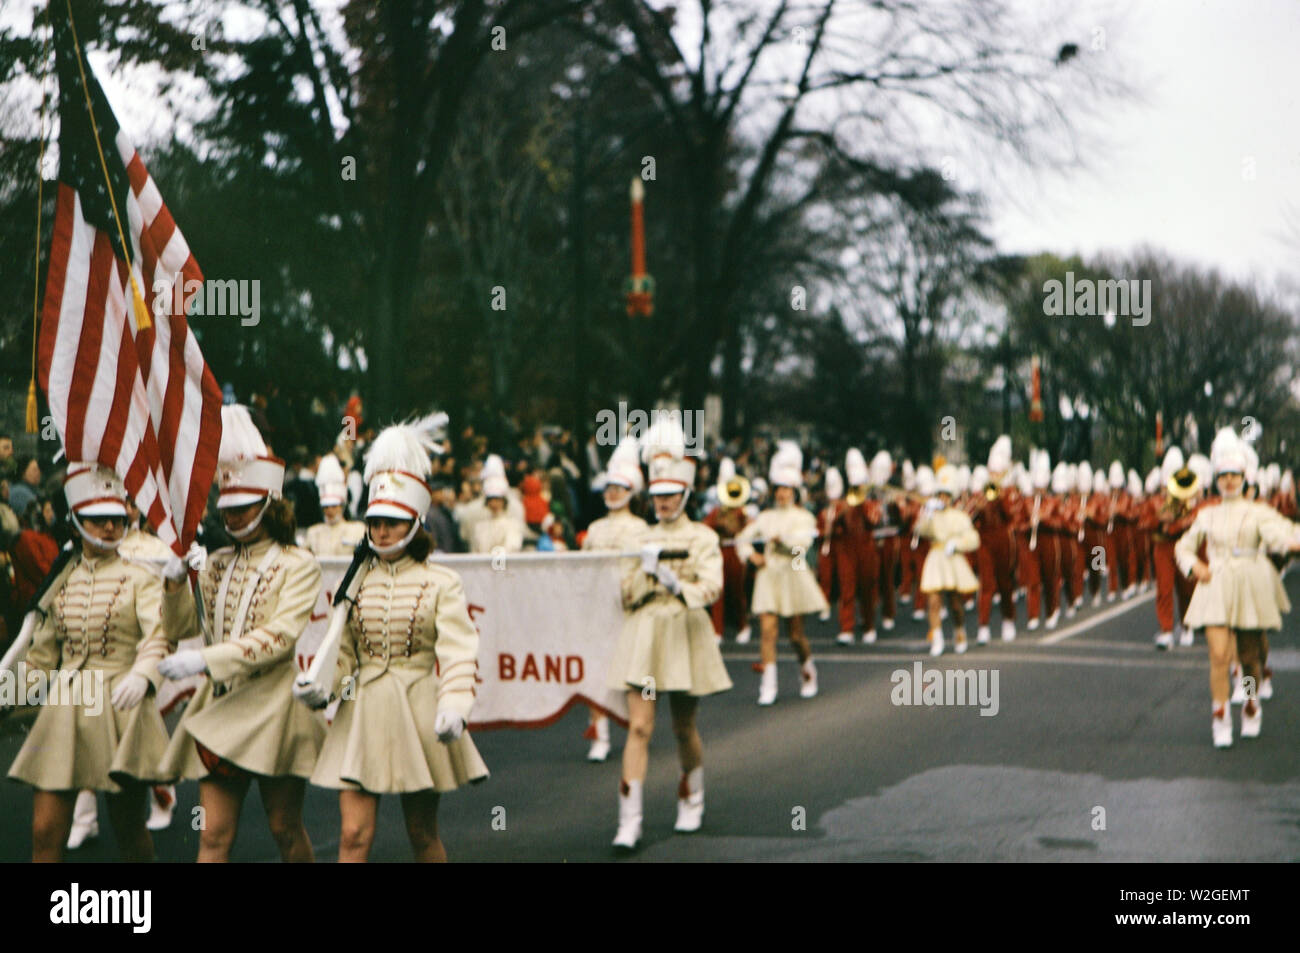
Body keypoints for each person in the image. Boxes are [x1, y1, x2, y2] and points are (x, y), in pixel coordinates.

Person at [296, 415, 488, 862]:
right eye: (375, 521)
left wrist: (455, 706)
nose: (381, 530)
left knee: (422, 834)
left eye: (393, 522)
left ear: (414, 524)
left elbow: (459, 652)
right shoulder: (355, 577)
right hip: (360, 712)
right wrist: (319, 686)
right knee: (353, 837)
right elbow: (342, 652)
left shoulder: (441, 582)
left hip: (418, 709)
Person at [156, 405, 324, 862]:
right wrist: (173, 582)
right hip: (222, 707)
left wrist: (206, 661)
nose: (230, 518)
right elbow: (181, 627)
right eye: (226, 508)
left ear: (269, 505)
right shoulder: (216, 563)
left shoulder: (298, 563)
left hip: (274, 708)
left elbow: (281, 637)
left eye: (242, 508)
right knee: (212, 838)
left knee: (285, 829)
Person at [6, 463, 171, 862]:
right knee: (45, 832)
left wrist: (143, 676)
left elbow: (157, 637)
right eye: (97, 520)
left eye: (115, 519)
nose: (109, 528)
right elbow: (42, 658)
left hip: (118, 706)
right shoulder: (61, 578)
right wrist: (9, 691)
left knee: (129, 829)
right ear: (76, 521)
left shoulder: (140, 577)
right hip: (64, 709)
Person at [607, 418, 731, 850]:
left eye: (670, 495)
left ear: (685, 494)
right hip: (645, 631)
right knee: (638, 727)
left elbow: (712, 585)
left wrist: (680, 585)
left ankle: (692, 797)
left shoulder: (703, 536)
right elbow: (625, 594)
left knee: (683, 726)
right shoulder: (639, 538)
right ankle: (629, 821)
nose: (662, 502)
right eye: (656, 496)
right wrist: (645, 574)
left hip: (685, 630)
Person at [63, 497, 178, 848]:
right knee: (82, 749)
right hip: (89, 669)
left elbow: (161, 617)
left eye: (127, 506)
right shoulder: (78, 551)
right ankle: (84, 819)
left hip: (131, 661)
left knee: (130, 759)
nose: (121, 517)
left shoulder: (155, 547)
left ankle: (161, 800)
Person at [1175, 428, 1300, 748]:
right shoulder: (1207, 513)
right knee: (1219, 653)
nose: (1229, 480)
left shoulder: (1259, 511)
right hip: (1215, 581)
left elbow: (1280, 535)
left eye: (1234, 475)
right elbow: (1183, 547)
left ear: (1244, 477)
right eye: (1223, 475)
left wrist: (1292, 541)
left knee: (1248, 655)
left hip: (1249, 581)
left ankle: (1250, 702)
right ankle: (1220, 716)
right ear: (1216, 478)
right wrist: (1194, 566)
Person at [735, 442, 827, 705]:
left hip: (793, 574)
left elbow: (802, 547)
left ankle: (808, 671)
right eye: (779, 489)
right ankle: (768, 684)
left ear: (795, 491)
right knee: (767, 631)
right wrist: (751, 556)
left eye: (787, 489)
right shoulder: (765, 517)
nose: (783, 493)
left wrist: (783, 542)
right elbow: (741, 539)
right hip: (769, 577)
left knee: (796, 636)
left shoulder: (804, 518)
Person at [580, 436, 647, 762]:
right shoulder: (593, 529)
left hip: (628, 606)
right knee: (597, 671)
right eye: (609, 488)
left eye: (619, 488)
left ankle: (637, 725)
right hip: (597, 607)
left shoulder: (641, 528)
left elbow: (642, 569)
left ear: (631, 491)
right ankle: (600, 734)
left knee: (631, 671)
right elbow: (583, 567)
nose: (612, 493)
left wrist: (628, 588)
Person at [916, 465, 981, 656]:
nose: (942, 498)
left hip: (951, 558)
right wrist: (926, 516)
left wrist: (957, 543)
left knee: (955, 602)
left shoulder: (959, 516)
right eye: (940, 494)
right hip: (936, 557)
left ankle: (959, 631)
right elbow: (921, 532)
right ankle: (937, 638)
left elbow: (974, 539)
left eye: (946, 495)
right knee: (933, 600)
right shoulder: (931, 514)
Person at [703, 458, 752, 643]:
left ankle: (743, 626)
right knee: (718, 592)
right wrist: (717, 523)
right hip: (719, 552)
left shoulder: (741, 511)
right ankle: (717, 630)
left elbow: (742, 530)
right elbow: (705, 527)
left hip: (735, 552)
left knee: (738, 592)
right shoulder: (716, 511)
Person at [304, 453, 366, 556]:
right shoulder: (313, 533)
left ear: (342, 506)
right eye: (326, 507)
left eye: (334, 506)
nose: (330, 510)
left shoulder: (357, 530)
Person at [470, 474, 525, 554]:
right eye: (490, 500)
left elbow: (512, 548)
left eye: (497, 500)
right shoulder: (480, 527)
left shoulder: (513, 525)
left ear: (504, 502)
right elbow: (475, 551)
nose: (493, 504)